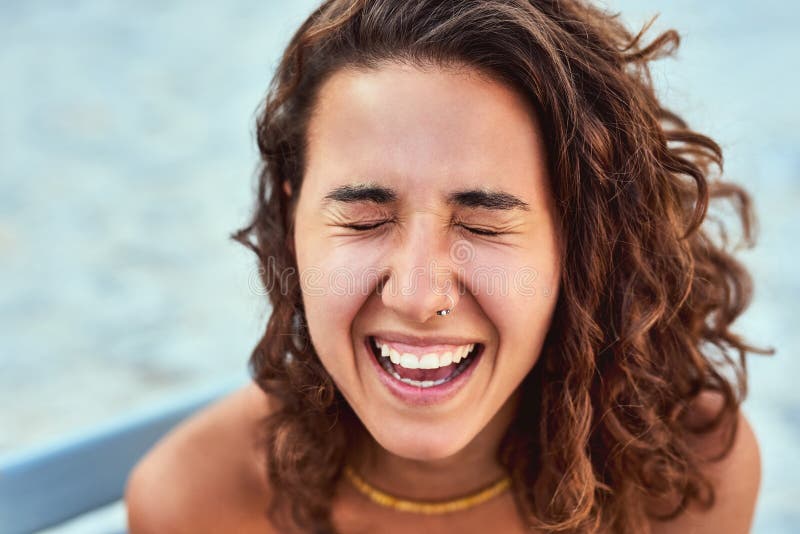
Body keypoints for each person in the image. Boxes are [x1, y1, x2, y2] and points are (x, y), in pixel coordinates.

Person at [125, 1, 775, 532]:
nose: (417, 294)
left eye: (483, 223)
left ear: (582, 241)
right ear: (293, 222)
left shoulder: (683, 474)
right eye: (364, 219)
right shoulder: (193, 498)